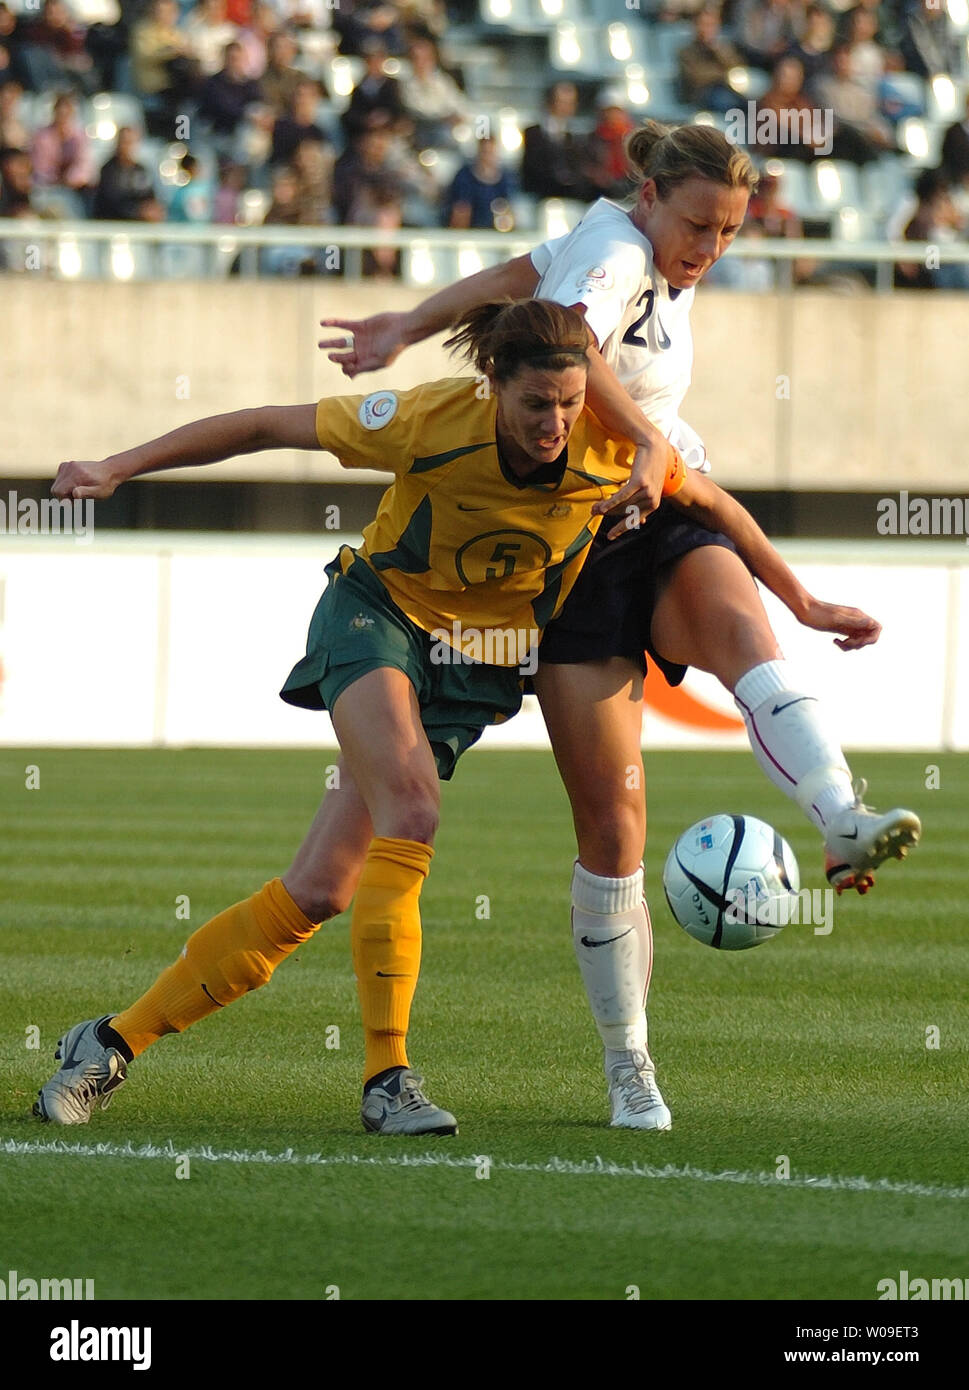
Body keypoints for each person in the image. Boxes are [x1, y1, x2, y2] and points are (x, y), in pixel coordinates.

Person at [319, 119, 921, 1131]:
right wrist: (644, 438)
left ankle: (840, 815)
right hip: (582, 543)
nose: (711, 248)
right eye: (700, 224)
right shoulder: (617, 251)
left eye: (730, 232)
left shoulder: (613, 241)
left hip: (660, 507)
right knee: (615, 829)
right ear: (651, 199)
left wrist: (408, 323)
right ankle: (629, 1065)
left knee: (744, 634)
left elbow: (516, 272)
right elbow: (564, 327)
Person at [38, 297, 711, 1132]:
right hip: (375, 618)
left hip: (471, 667)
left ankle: (106, 1043)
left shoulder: (615, 452)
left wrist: (801, 600)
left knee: (319, 890)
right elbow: (263, 428)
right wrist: (119, 466)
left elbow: (717, 510)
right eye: (536, 403)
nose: (555, 422)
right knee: (414, 811)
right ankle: (387, 1080)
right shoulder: (428, 419)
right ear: (492, 381)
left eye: (571, 404)